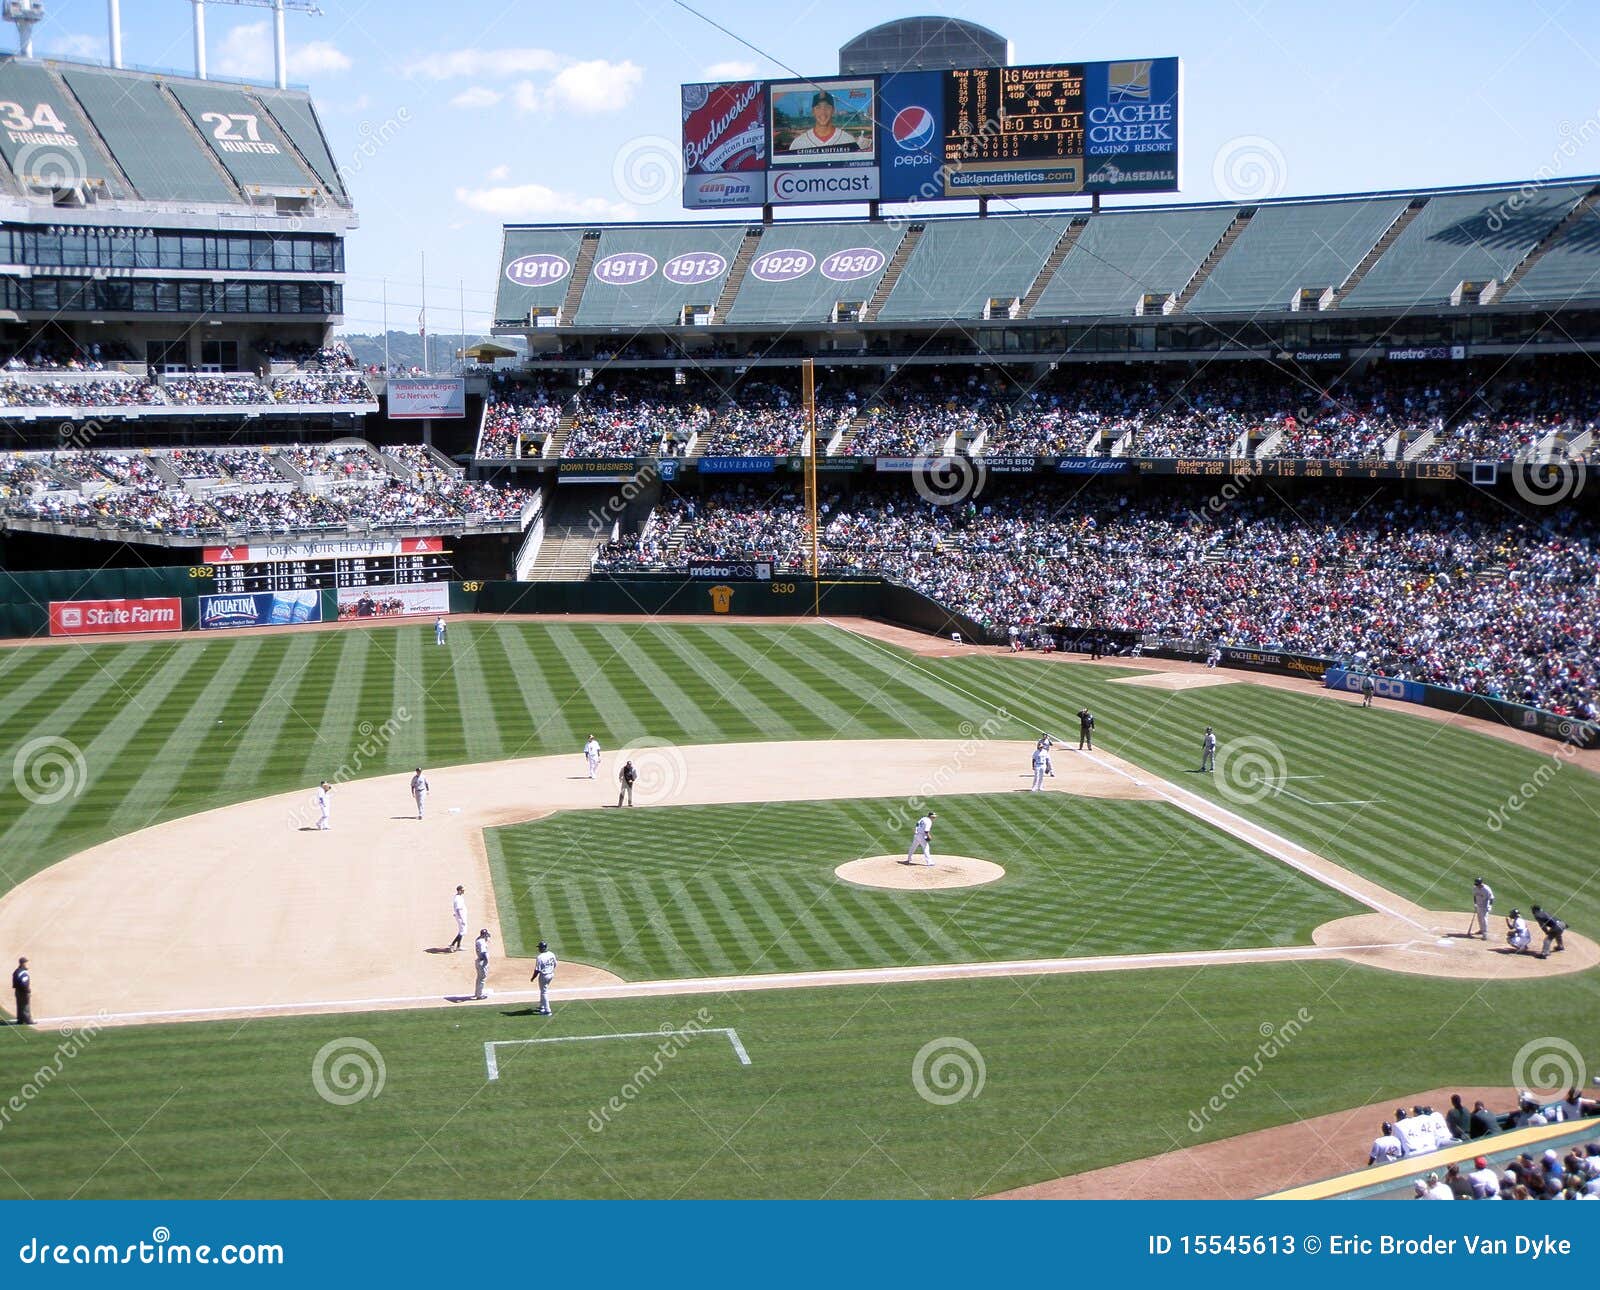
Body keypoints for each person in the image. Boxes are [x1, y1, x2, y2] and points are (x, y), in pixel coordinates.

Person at [786, 89, 863, 153]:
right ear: (813, 111)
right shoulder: (799, 143)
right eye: (818, 107)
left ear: (833, 110)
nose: (823, 112)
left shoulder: (848, 140)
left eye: (827, 107)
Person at [531, 940, 557, 1016]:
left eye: (539, 947)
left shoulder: (540, 957)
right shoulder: (551, 954)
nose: (538, 949)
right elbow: (555, 964)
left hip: (544, 976)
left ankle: (548, 1010)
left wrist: (533, 978)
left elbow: (537, 970)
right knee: (543, 990)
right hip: (551, 974)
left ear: (542, 948)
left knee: (544, 992)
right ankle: (542, 1007)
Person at [11, 956, 31, 1025]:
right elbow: (24, 983)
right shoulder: (23, 972)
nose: (26, 963)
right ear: (22, 963)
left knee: (19, 1006)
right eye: (25, 962)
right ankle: (28, 1020)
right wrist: (27, 990)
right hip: (23, 991)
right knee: (25, 1006)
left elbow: (15, 982)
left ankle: (20, 1020)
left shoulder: (17, 971)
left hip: (18, 991)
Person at [473, 928, 491, 1000]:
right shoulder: (482, 942)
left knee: (479, 978)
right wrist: (486, 961)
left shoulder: (478, 940)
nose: (487, 937)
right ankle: (479, 995)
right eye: (486, 935)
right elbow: (483, 952)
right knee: (482, 979)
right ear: (484, 935)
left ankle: (477, 993)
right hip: (482, 962)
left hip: (478, 961)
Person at [450, 885, 467, 952]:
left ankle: (458, 946)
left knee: (461, 932)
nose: (464, 891)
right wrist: (462, 919)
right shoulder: (458, 899)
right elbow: (458, 909)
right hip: (461, 917)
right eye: (463, 890)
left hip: (461, 916)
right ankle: (452, 945)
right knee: (462, 932)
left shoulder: (459, 897)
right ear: (459, 890)